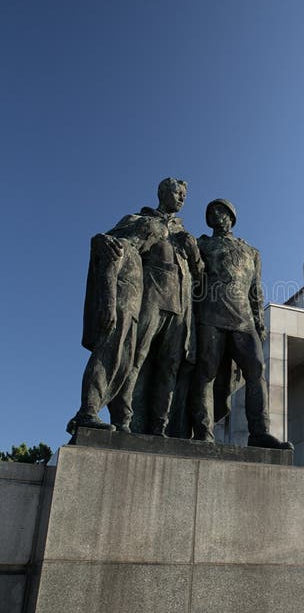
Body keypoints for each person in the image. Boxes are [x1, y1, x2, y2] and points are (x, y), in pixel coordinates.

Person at [190, 198, 292, 450]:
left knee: (256, 369)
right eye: (212, 211)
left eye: (221, 211)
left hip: (243, 320)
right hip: (209, 316)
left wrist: (259, 323)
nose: (216, 214)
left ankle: (259, 432)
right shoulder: (201, 244)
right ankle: (203, 432)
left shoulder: (250, 252)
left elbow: (255, 290)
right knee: (206, 372)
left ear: (231, 217)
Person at [109, 178, 204, 436]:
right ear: (163, 193)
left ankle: (160, 427)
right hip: (150, 296)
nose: (183, 197)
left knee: (169, 368)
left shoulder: (184, 232)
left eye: (185, 194)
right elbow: (117, 247)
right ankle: (123, 419)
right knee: (135, 357)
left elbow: (199, 274)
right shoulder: (141, 219)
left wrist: (193, 252)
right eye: (178, 192)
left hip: (180, 307)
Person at [68, 214, 167, 434]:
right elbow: (108, 274)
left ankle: (119, 417)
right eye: (154, 241)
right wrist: (109, 306)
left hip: (132, 316)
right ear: (147, 233)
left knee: (124, 365)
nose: (153, 246)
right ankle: (88, 411)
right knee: (105, 359)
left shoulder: (137, 257)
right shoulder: (120, 246)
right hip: (118, 311)